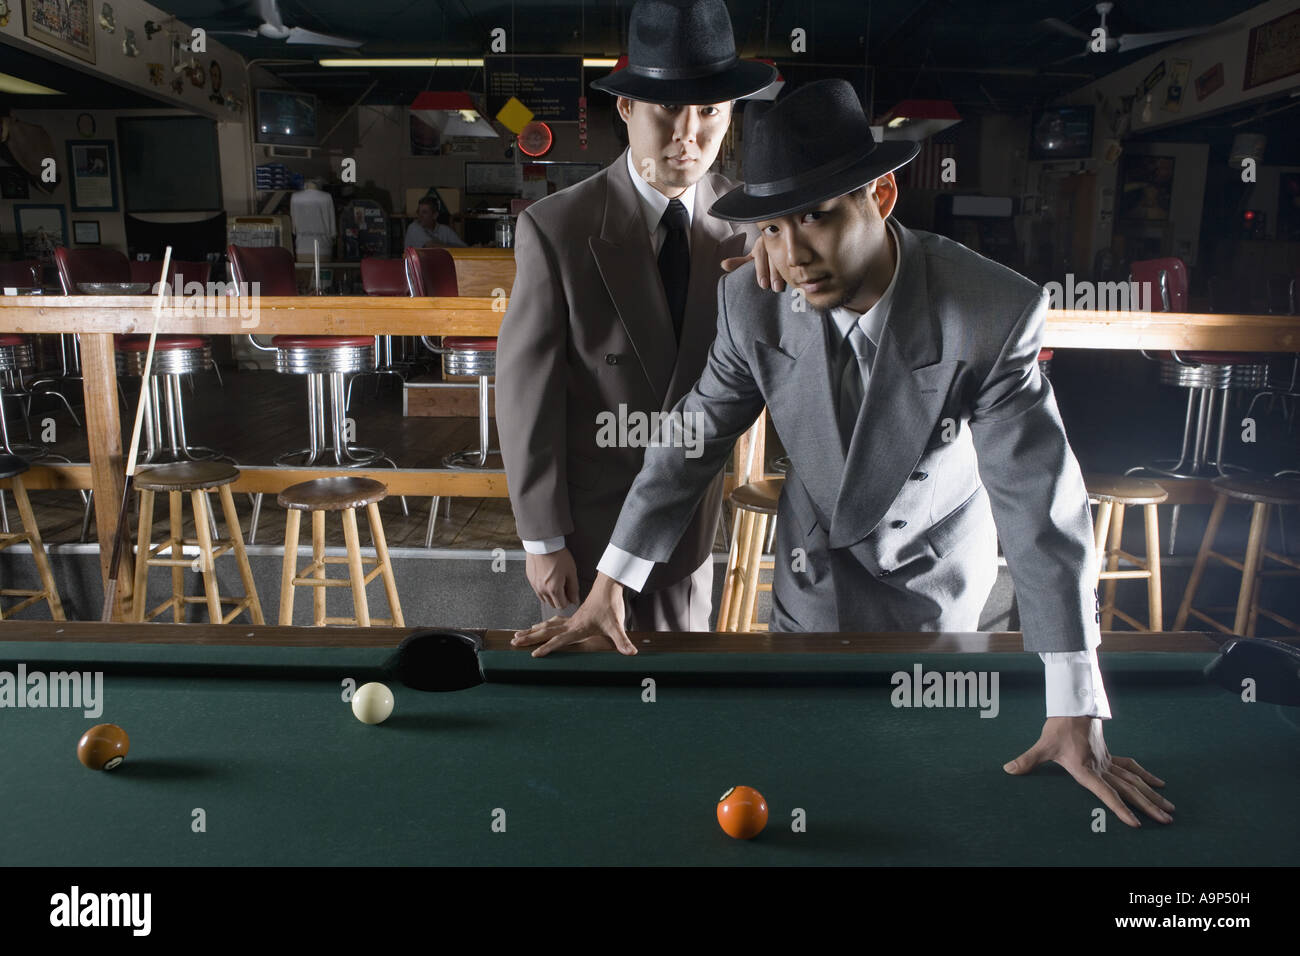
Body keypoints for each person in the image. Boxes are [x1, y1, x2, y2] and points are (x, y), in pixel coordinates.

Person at [513, 79, 1174, 827]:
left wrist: (1074, 699)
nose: (793, 255)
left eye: (817, 217)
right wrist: (611, 582)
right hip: (810, 581)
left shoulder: (990, 310)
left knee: (928, 801)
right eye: (770, 226)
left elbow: (1040, 506)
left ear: (882, 196)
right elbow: (688, 443)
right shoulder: (753, 300)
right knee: (811, 794)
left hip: (933, 588)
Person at [496, 0, 776, 631]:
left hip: (687, 526)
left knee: (680, 698)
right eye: (667, 108)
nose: (687, 134)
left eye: (709, 110)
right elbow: (526, 395)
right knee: (584, 703)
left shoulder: (756, 227)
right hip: (590, 526)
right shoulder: (557, 227)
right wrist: (542, 538)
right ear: (626, 107)